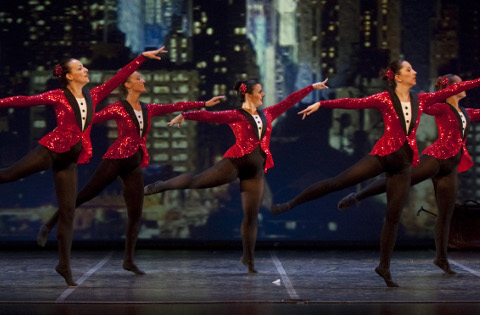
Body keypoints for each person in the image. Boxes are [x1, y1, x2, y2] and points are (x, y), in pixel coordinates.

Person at [270, 60, 480, 287]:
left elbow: (454, 90)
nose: (415, 71)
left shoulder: (422, 99)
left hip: (404, 163)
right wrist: (323, 105)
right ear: (398, 77)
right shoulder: (385, 98)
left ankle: (384, 267)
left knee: (393, 218)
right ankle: (290, 204)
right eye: (409, 69)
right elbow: (355, 103)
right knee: (338, 182)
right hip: (383, 155)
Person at [0, 47, 167, 286]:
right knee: (8, 175)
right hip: (52, 150)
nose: (85, 69)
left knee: (68, 212)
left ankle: (63, 266)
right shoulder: (58, 95)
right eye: (80, 68)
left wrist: (141, 58)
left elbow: (120, 77)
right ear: (69, 76)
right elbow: (24, 100)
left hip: (70, 161)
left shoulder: (94, 95)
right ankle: (63, 263)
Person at [35, 70, 225, 275]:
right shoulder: (118, 108)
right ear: (127, 85)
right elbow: (90, 120)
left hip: (133, 164)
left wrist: (204, 103)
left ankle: (129, 260)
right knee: (84, 195)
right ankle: (49, 224)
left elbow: (174, 106)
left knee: (135, 213)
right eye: (138, 79)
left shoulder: (147, 108)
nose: (143, 81)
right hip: (116, 159)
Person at [143, 79, 329, 273]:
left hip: (256, 170)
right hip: (236, 163)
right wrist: (185, 115)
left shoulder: (268, 113)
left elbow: (289, 101)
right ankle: (160, 186)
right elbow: (210, 116)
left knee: (251, 216)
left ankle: (248, 258)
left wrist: (311, 87)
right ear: (248, 95)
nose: (263, 95)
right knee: (196, 181)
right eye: (260, 91)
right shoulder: (235, 115)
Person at [337, 74, 480, 275]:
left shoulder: (466, 112)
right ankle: (357, 195)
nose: (464, 84)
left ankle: (441, 259)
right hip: (436, 159)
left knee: (446, 215)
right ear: (452, 88)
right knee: (400, 180)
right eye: (459, 82)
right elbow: (421, 104)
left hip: (451, 167)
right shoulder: (441, 108)